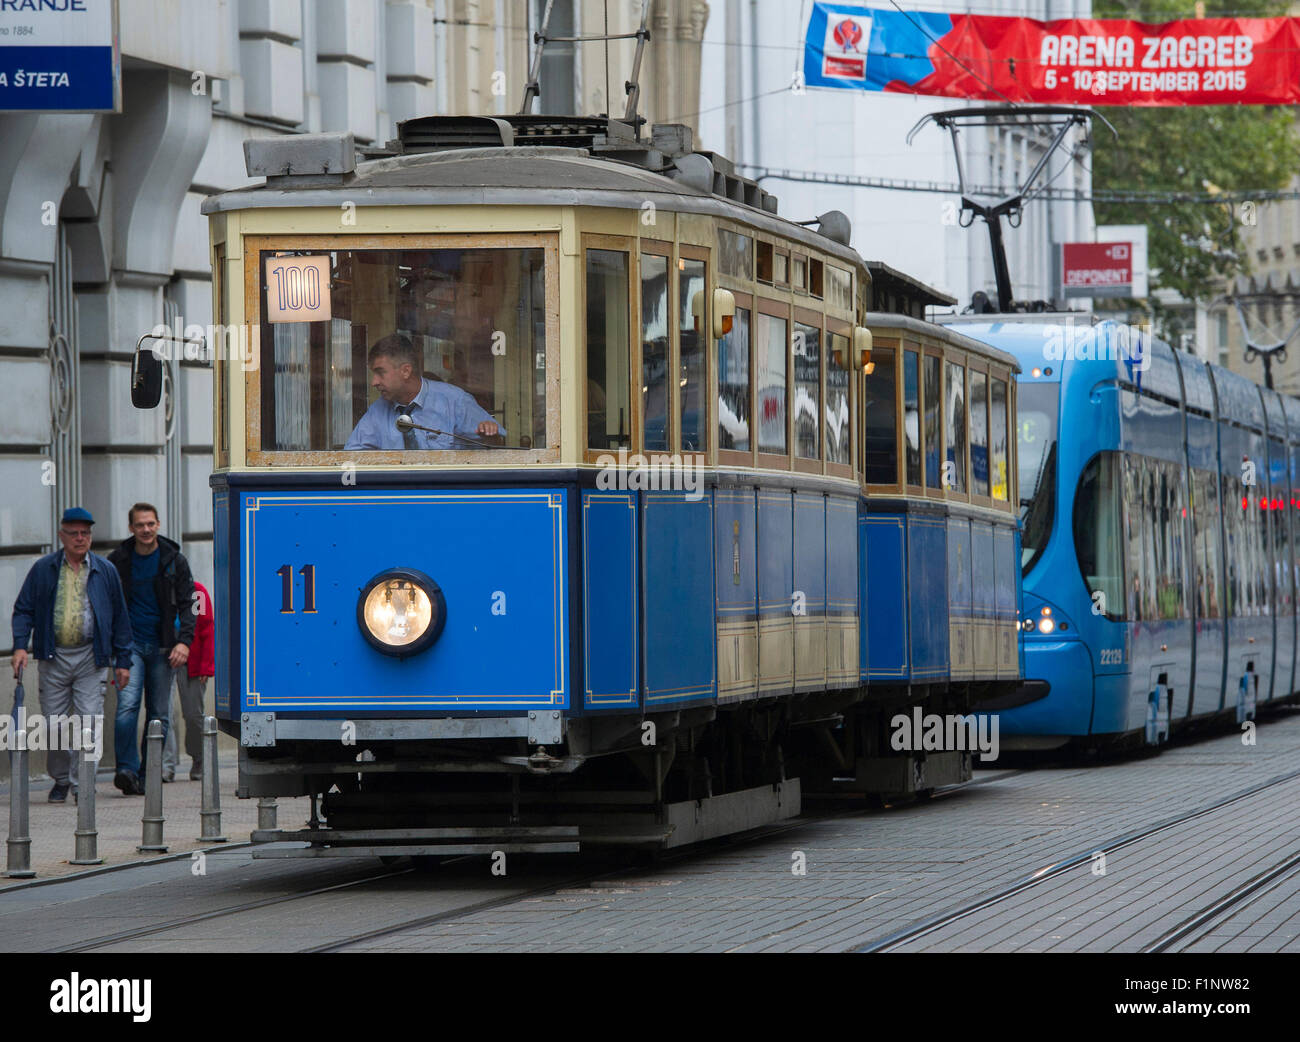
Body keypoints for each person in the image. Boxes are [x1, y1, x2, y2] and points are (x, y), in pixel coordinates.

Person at [10, 508, 132, 803]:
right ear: (61, 536)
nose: (80, 538)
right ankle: (62, 779)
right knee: (53, 724)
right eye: (74, 533)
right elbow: (24, 609)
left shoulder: (105, 570)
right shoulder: (44, 569)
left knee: (89, 722)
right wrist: (20, 646)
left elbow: (119, 617)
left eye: (85, 533)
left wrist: (123, 661)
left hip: (92, 656)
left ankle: (82, 783)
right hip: (54, 656)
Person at [107, 504, 195, 795]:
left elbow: (188, 604)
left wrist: (184, 641)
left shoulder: (174, 560)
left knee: (159, 714)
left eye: (150, 524)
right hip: (129, 647)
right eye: (140, 525)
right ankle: (127, 770)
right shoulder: (117, 561)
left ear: (158, 525)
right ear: (131, 528)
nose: (146, 529)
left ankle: (149, 773)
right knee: (127, 708)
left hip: (163, 648)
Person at [344, 333, 504, 450]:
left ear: (406, 371)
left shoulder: (454, 401)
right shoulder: (378, 411)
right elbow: (351, 457)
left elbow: (499, 447)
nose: (374, 382)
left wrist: (490, 435)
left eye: (380, 372)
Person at [162, 578, 214, 781]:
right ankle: (166, 765)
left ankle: (198, 757)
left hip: (193, 662)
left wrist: (206, 665)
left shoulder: (198, 592)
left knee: (193, 715)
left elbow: (208, 629)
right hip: (163, 660)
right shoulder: (158, 589)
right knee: (162, 714)